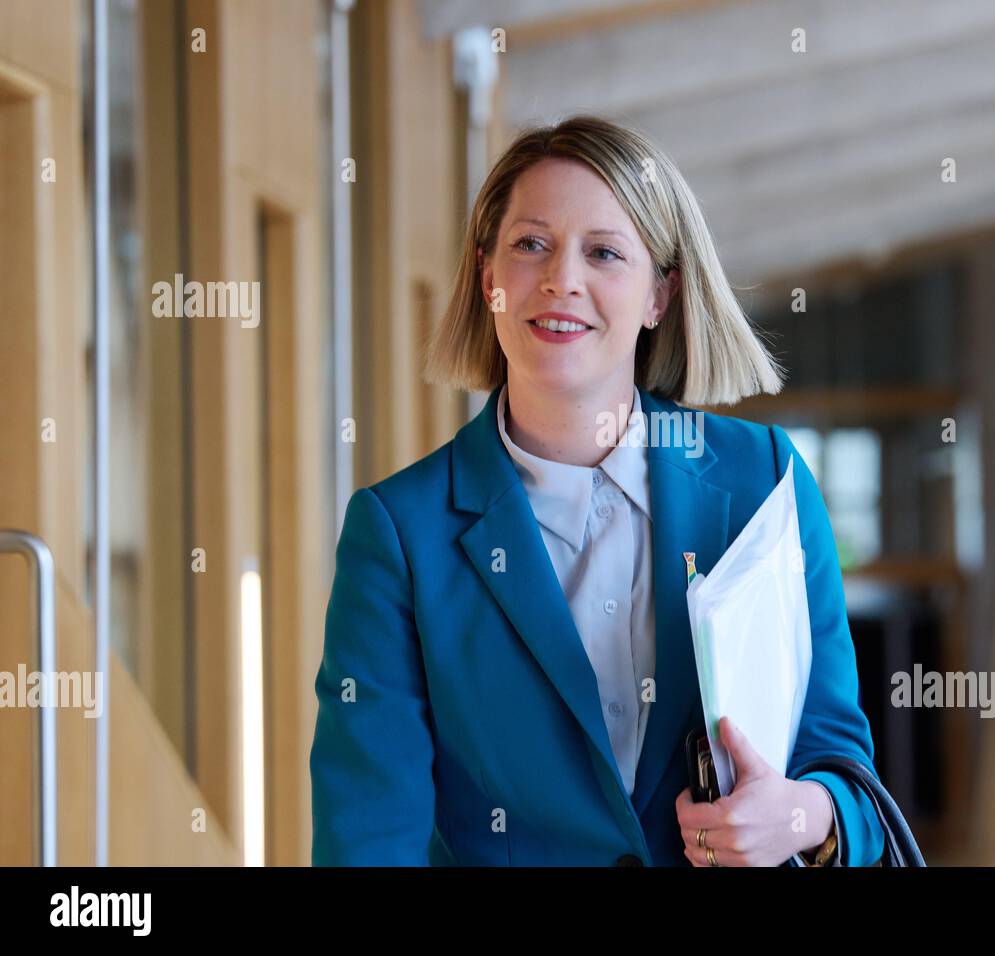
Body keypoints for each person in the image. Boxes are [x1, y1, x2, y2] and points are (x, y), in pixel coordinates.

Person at [309, 114, 886, 866]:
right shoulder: (398, 535)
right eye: (530, 245)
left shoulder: (763, 485)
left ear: (659, 295)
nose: (562, 280)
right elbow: (367, 842)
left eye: (605, 252)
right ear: (488, 278)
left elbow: (844, 769)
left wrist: (804, 817)